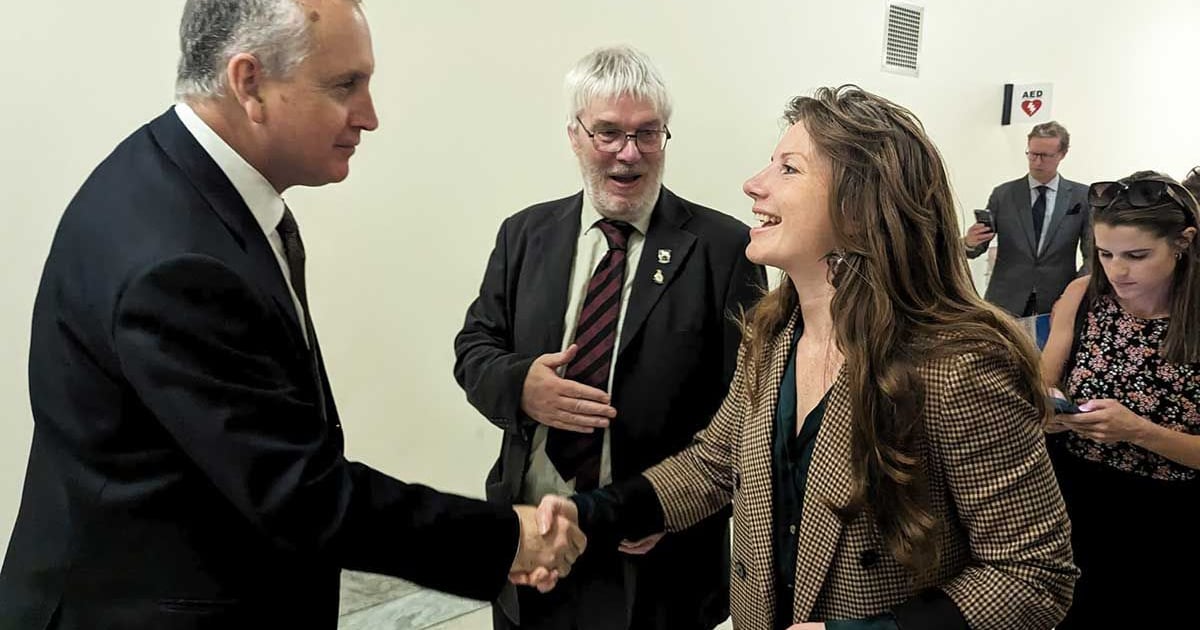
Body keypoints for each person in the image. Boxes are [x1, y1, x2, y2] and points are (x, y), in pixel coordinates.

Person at [0, 1, 582, 627]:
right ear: (249, 83)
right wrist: (504, 538)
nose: (371, 116)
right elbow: (297, 492)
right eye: (344, 86)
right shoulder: (176, 262)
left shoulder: (176, 181)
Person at [534, 85, 1077, 630]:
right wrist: (595, 514)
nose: (753, 184)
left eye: (788, 169)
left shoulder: (959, 365)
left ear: (861, 206)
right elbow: (713, 465)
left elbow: (1032, 575)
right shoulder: (770, 335)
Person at [454, 46, 764, 630]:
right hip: (534, 538)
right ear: (575, 135)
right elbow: (475, 346)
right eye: (609, 133)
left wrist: (673, 505)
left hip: (659, 553)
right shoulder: (525, 234)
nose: (629, 154)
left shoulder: (724, 249)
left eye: (648, 133)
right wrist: (521, 387)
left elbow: (750, 405)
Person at [1040, 171, 1199, 627]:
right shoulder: (1083, 296)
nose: (1117, 271)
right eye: (1105, 254)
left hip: (1166, 513)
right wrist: (1051, 411)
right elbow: (1044, 383)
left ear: (1182, 242)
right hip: (1076, 496)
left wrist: (1140, 432)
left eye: (1137, 255)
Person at [964, 121, 1092, 316]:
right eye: (1032, 154)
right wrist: (969, 243)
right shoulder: (1003, 194)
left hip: (1057, 300)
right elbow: (975, 249)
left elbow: (1092, 256)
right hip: (1005, 299)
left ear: (1062, 154)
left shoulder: (1081, 197)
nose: (1037, 162)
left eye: (1045, 156)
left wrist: (1073, 293)